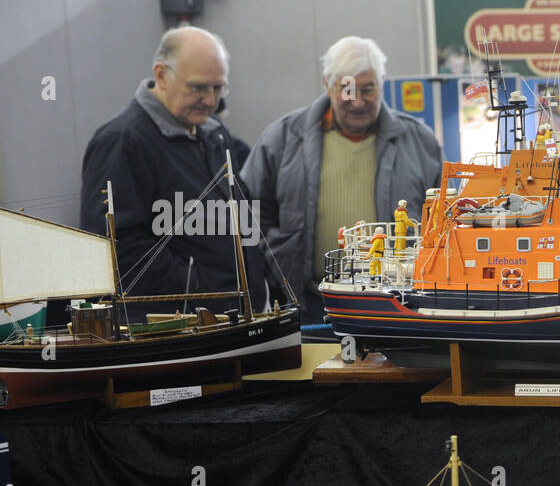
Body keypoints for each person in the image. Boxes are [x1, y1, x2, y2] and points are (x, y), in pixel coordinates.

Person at [241, 36, 443, 322]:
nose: (357, 101)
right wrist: (277, 265)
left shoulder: (421, 143)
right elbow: (250, 214)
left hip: (398, 306)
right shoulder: (281, 140)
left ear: (381, 85)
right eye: (347, 89)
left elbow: (443, 221)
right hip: (305, 306)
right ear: (327, 84)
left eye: (368, 89)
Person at [79, 26, 272, 308]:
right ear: (161, 75)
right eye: (198, 87)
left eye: (218, 88)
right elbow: (115, 248)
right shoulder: (123, 142)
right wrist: (200, 288)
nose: (210, 100)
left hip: (235, 317)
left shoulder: (214, 134)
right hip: (183, 328)